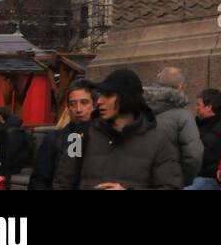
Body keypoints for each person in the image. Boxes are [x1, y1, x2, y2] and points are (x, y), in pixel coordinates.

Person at [52, 68, 182, 190]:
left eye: (107, 95)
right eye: (100, 95)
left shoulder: (160, 140)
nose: (99, 102)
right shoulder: (78, 135)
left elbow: (171, 186)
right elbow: (62, 182)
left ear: (127, 97)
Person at [29, 81, 96, 190]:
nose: (78, 109)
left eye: (84, 102)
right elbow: (39, 180)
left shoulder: (103, 138)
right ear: (68, 108)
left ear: (94, 105)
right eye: (73, 104)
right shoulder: (55, 139)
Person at [143, 66, 203, 186]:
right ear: (180, 86)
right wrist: (184, 179)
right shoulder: (183, 117)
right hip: (170, 181)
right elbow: (193, 155)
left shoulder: (137, 111)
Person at [187, 88, 221, 191]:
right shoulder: (197, 124)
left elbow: (202, 156)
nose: (196, 108)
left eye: (198, 105)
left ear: (209, 107)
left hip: (210, 178)